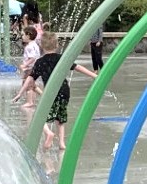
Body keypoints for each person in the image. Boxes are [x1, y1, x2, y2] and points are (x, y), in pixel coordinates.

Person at [30, 30, 98, 170]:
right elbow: (77, 67)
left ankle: (48, 133)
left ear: (42, 46)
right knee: (61, 117)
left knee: (40, 116)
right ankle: (61, 143)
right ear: (57, 45)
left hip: (51, 92)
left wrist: (28, 88)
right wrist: (94, 76)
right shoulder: (62, 58)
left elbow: (32, 79)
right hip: (65, 91)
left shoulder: (40, 61)